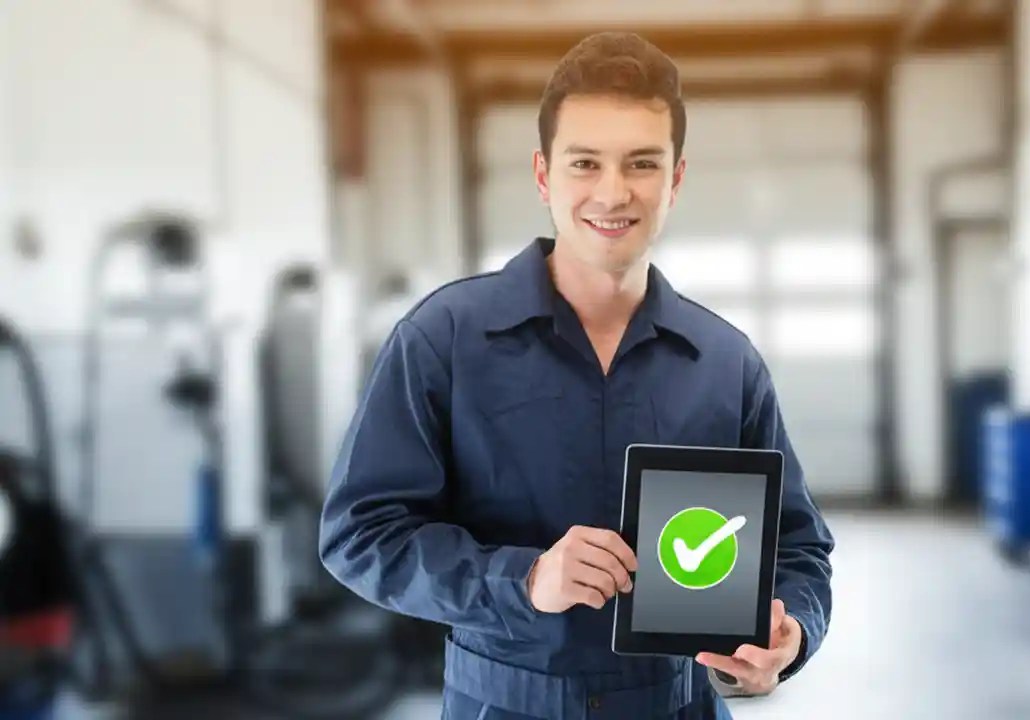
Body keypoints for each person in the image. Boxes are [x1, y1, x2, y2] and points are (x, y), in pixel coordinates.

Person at [319, 31, 835, 719]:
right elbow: (361, 532)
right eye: (585, 163)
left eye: (642, 164)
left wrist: (787, 636)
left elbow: (797, 547)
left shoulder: (724, 362)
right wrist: (522, 578)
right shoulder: (444, 339)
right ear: (543, 176)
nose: (613, 192)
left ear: (675, 179)